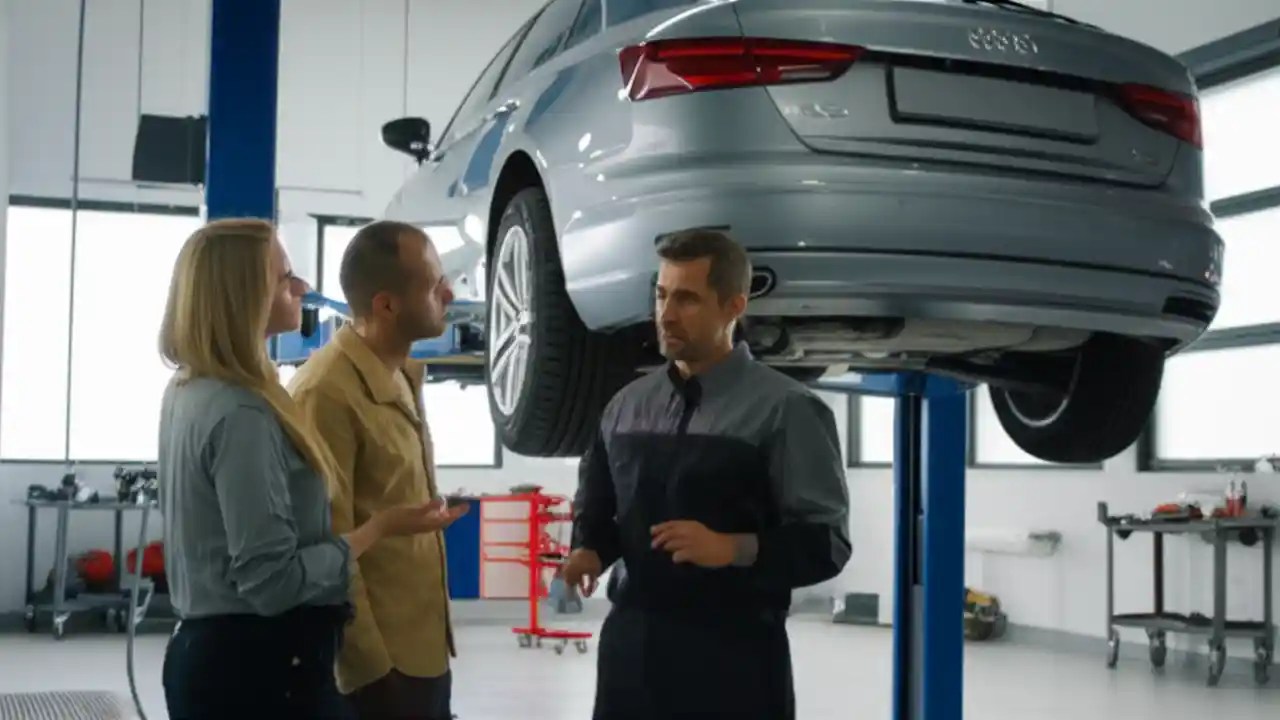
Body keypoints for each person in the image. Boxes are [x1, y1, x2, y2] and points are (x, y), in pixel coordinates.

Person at [156, 218, 460, 720]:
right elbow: (272, 580)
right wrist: (379, 529)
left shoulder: (193, 390)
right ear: (242, 295)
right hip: (257, 670)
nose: (302, 287)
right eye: (284, 277)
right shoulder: (246, 412)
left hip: (228, 656)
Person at [563, 228, 852, 720]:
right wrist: (588, 549)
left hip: (733, 662)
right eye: (661, 295)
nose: (666, 314)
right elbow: (600, 507)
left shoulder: (786, 410)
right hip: (631, 657)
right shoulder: (625, 407)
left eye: (687, 299)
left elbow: (827, 543)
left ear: (733, 305)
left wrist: (732, 548)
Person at [289, 220, 467, 720]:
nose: (448, 294)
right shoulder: (325, 393)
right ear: (387, 305)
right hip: (380, 671)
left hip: (423, 648)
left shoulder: (402, 374)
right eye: (434, 284)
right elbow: (329, 542)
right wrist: (371, 670)